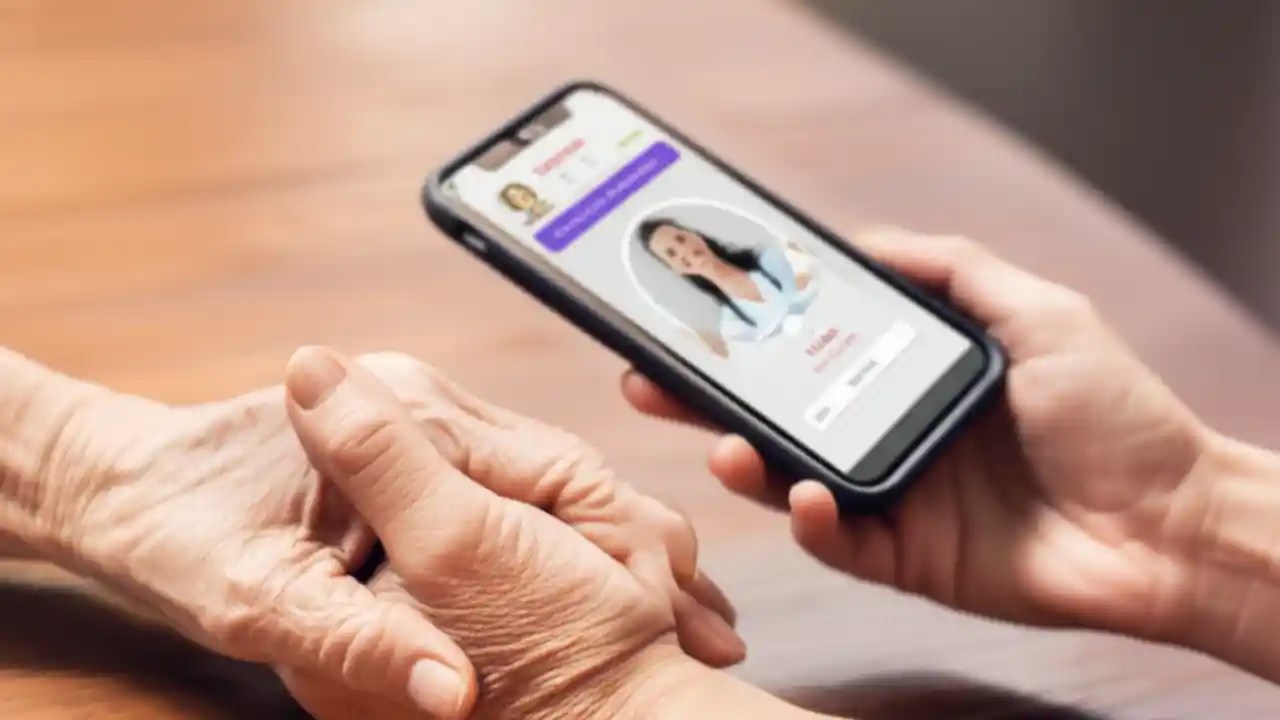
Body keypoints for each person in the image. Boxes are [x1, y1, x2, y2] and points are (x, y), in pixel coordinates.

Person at [636, 218, 816, 354]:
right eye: (671, 253)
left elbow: (815, 281)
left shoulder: (770, 259)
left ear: (695, 235)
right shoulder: (732, 325)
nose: (684, 250)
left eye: (681, 239)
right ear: (675, 269)